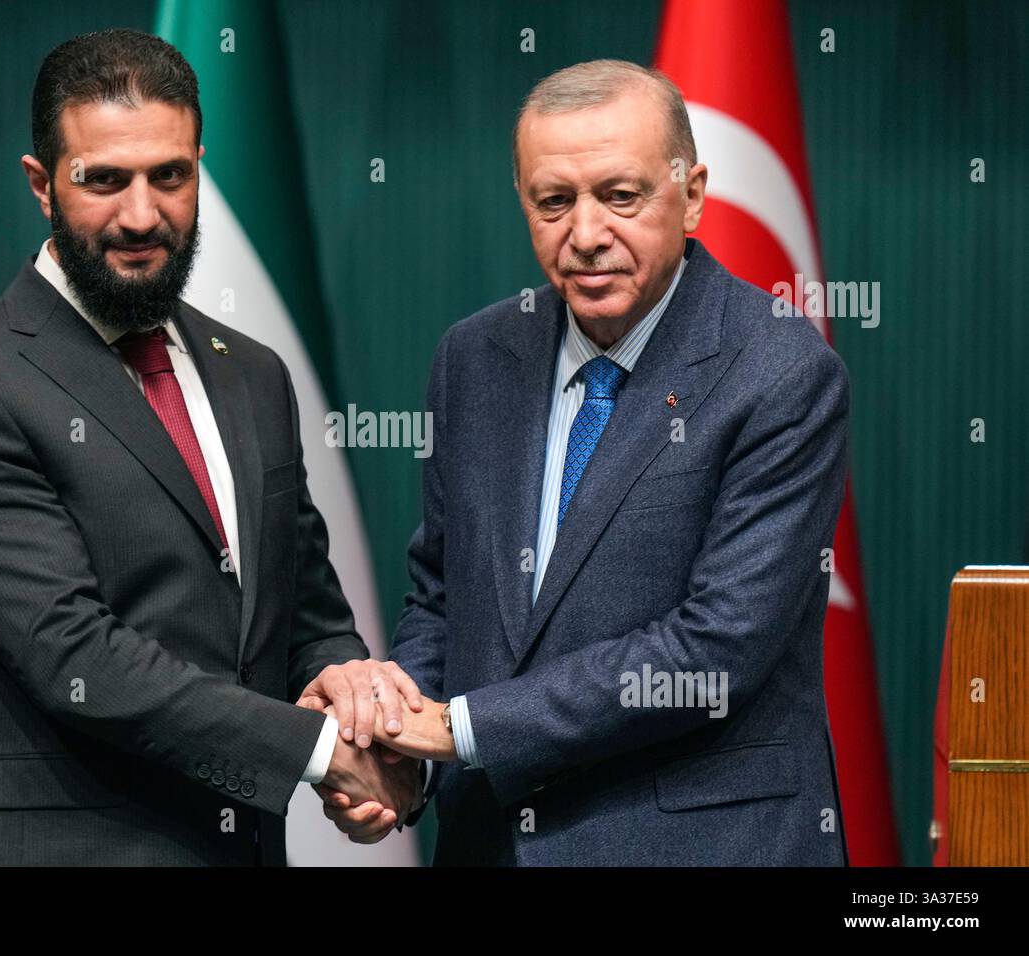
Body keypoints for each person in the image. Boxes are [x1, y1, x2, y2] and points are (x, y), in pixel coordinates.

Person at [0, 29, 419, 866]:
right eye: (104, 180)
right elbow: (75, 654)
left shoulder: (253, 374)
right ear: (41, 185)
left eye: (169, 176)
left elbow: (305, 614)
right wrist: (323, 756)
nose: (142, 215)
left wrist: (352, 688)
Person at [310, 60, 852, 865]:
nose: (588, 234)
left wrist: (456, 730)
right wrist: (396, 760)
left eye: (621, 196)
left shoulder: (780, 369)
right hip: (492, 843)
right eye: (554, 201)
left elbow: (715, 650)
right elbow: (444, 598)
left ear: (692, 194)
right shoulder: (475, 357)